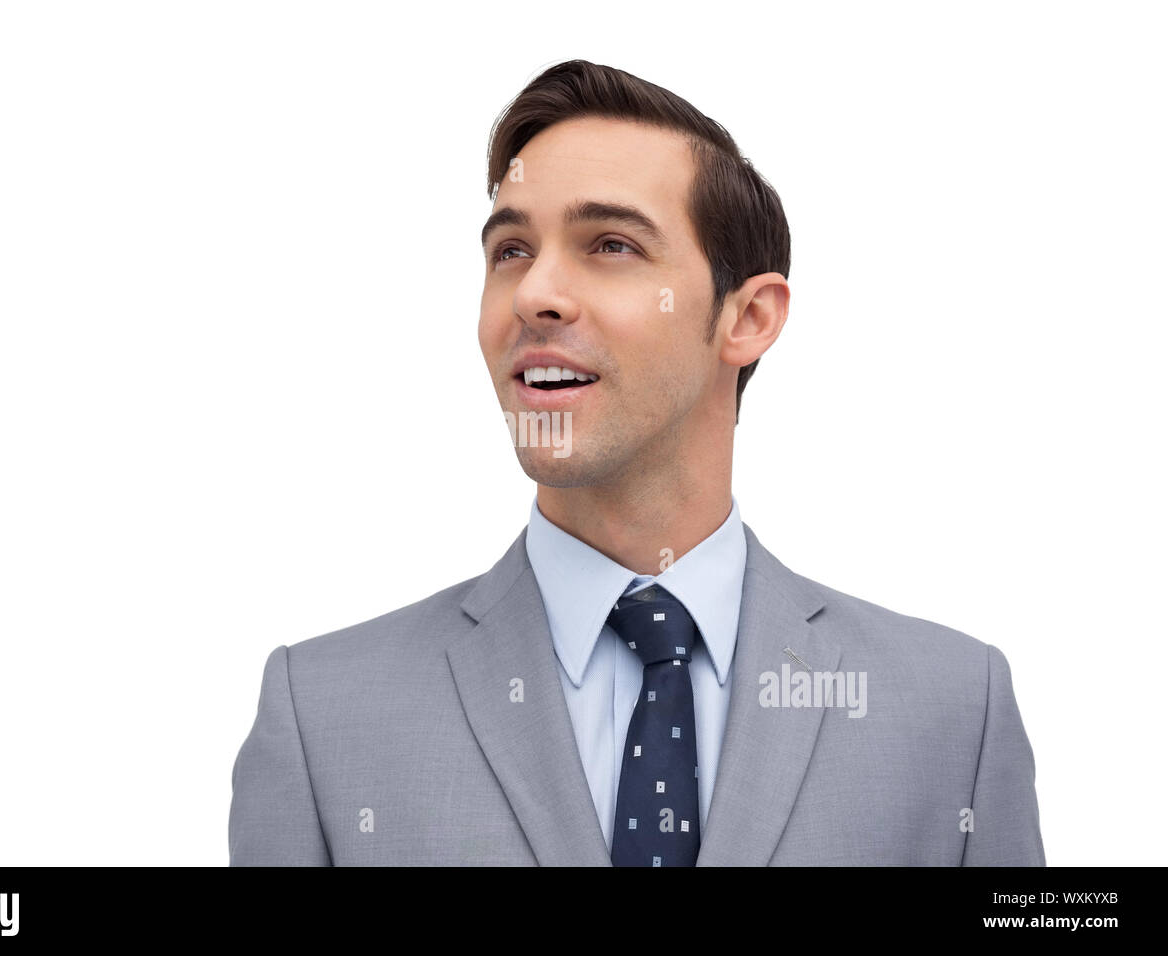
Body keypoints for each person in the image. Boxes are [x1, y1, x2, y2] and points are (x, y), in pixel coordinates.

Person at [228, 59, 1045, 866]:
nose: (533, 293)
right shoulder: (321, 718)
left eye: (610, 245)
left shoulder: (951, 709)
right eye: (510, 250)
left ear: (749, 317)